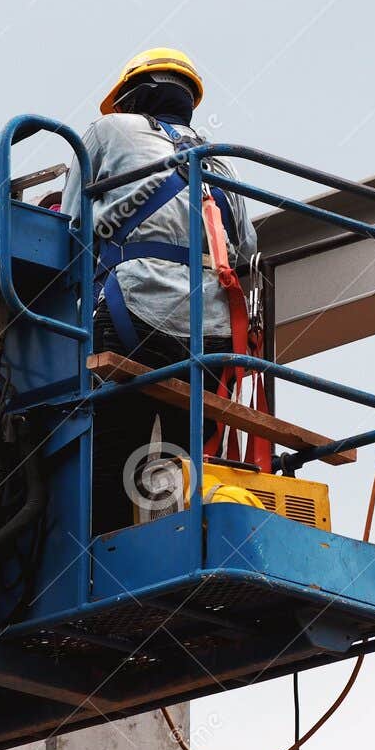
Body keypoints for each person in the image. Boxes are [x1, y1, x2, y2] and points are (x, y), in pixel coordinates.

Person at [60, 48, 259, 533]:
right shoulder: (223, 161)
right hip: (212, 335)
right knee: (181, 453)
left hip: (134, 310)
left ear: (128, 98)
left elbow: (68, 227)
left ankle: (101, 559)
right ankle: (179, 544)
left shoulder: (106, 131)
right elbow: (249, 247)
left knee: (109, 445)